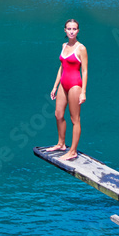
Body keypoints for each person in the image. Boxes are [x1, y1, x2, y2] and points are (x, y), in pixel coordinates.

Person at [45, 19, 87, 161]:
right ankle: (61, 144)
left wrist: (83, 92)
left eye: (74, 29)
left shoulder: (81, 48)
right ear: (64, 30)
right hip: (63, 84)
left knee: (75, 119)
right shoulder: (63, 45)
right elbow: (62, 67)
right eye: (69, 29)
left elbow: (85, 71)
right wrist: (55, 86)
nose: (71, 31)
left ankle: (73, 151)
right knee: (58, 115)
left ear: (78, 31)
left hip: (75, 85)